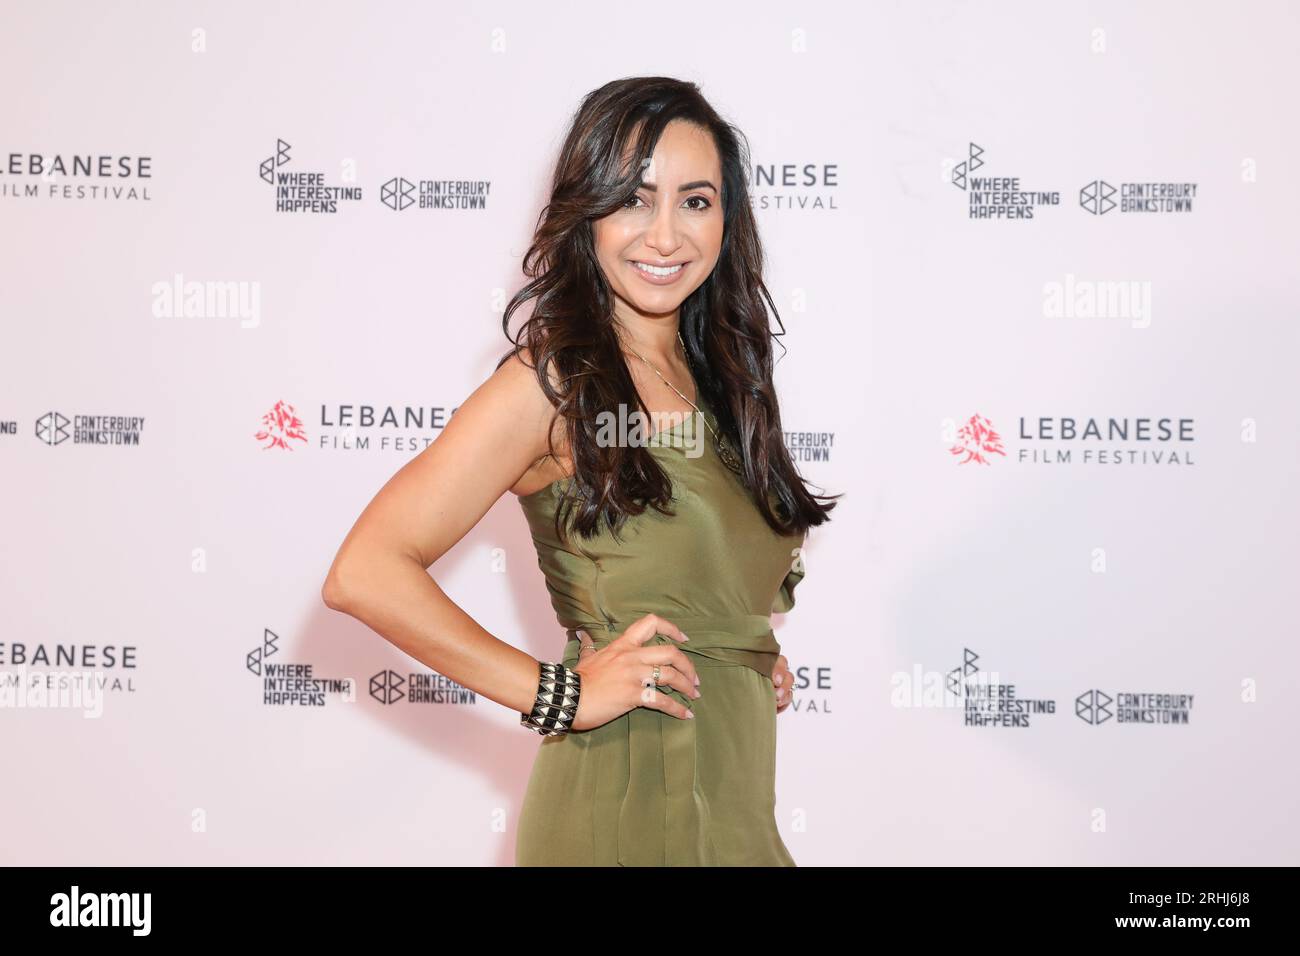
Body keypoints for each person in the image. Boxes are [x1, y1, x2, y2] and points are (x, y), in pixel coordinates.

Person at [322, 76, 839, 866]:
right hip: (630, 798)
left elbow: (691, 578)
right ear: (586, 211)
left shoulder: (725, 383)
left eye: (695, 201)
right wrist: (556, 694)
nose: (664, 235)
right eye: (633, 199)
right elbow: (365, 571)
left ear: (728, 221)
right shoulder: (552, 383)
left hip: (729, 797)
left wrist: (737, 653)